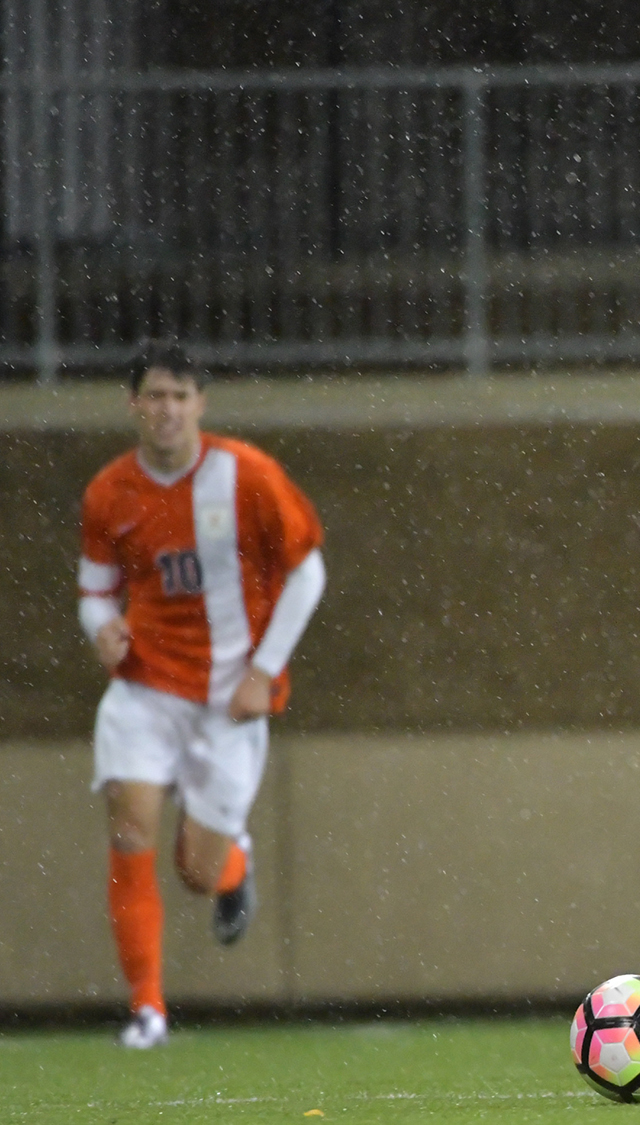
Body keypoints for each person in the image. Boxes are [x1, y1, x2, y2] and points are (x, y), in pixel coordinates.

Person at [78, 343, 327, 1048]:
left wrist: (263, 669)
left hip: (229, 699)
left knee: (197, 870)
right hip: (145, 690)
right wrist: (102, 630)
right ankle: (148, 1010)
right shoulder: (109, 493)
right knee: (129, 833)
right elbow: (95, 590)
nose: (166, 408)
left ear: (200, 404)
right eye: (154, 395)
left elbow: (308, 575)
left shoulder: (246, 475)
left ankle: (233, 863)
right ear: (133, 403)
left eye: (179, 396)